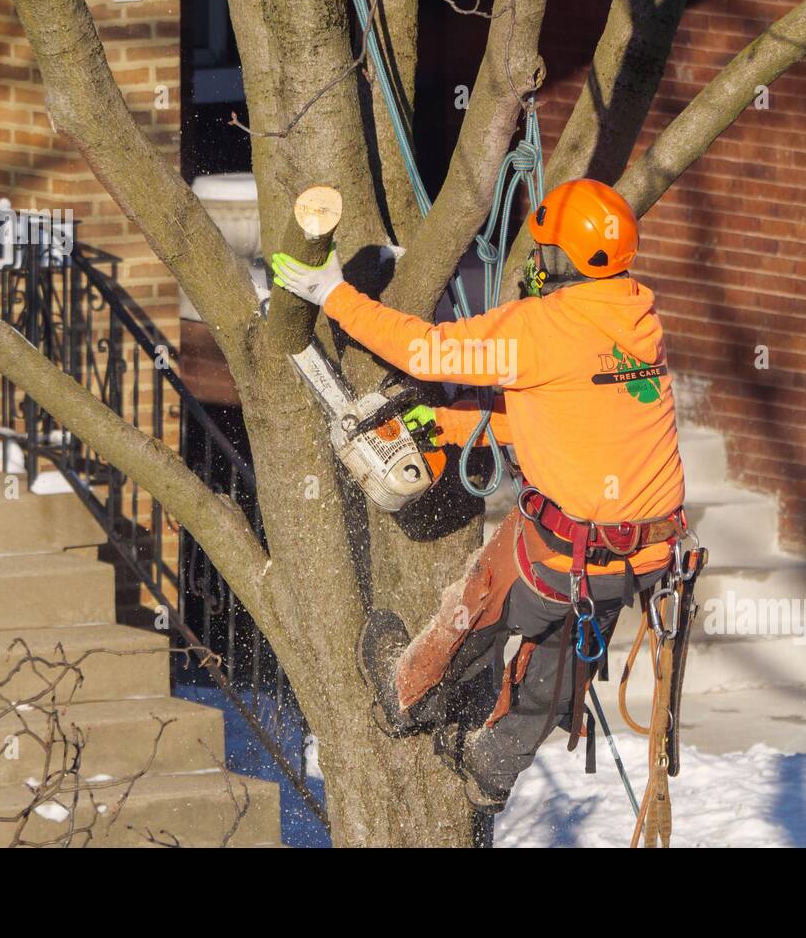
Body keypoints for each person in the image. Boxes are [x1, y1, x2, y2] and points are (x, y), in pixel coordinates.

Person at [271, 178, 685, 811]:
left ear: (563, 259)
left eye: (544, 251)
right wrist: (445, 425)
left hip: (561, 548)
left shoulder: (542, 326)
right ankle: (497, 763)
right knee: (567, 643)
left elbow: (427, 351)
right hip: (644, 559)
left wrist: (334, 295)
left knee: (484, 595)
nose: (535, 262)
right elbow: (550, 415)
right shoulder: (638, 318)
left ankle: (410, 692)